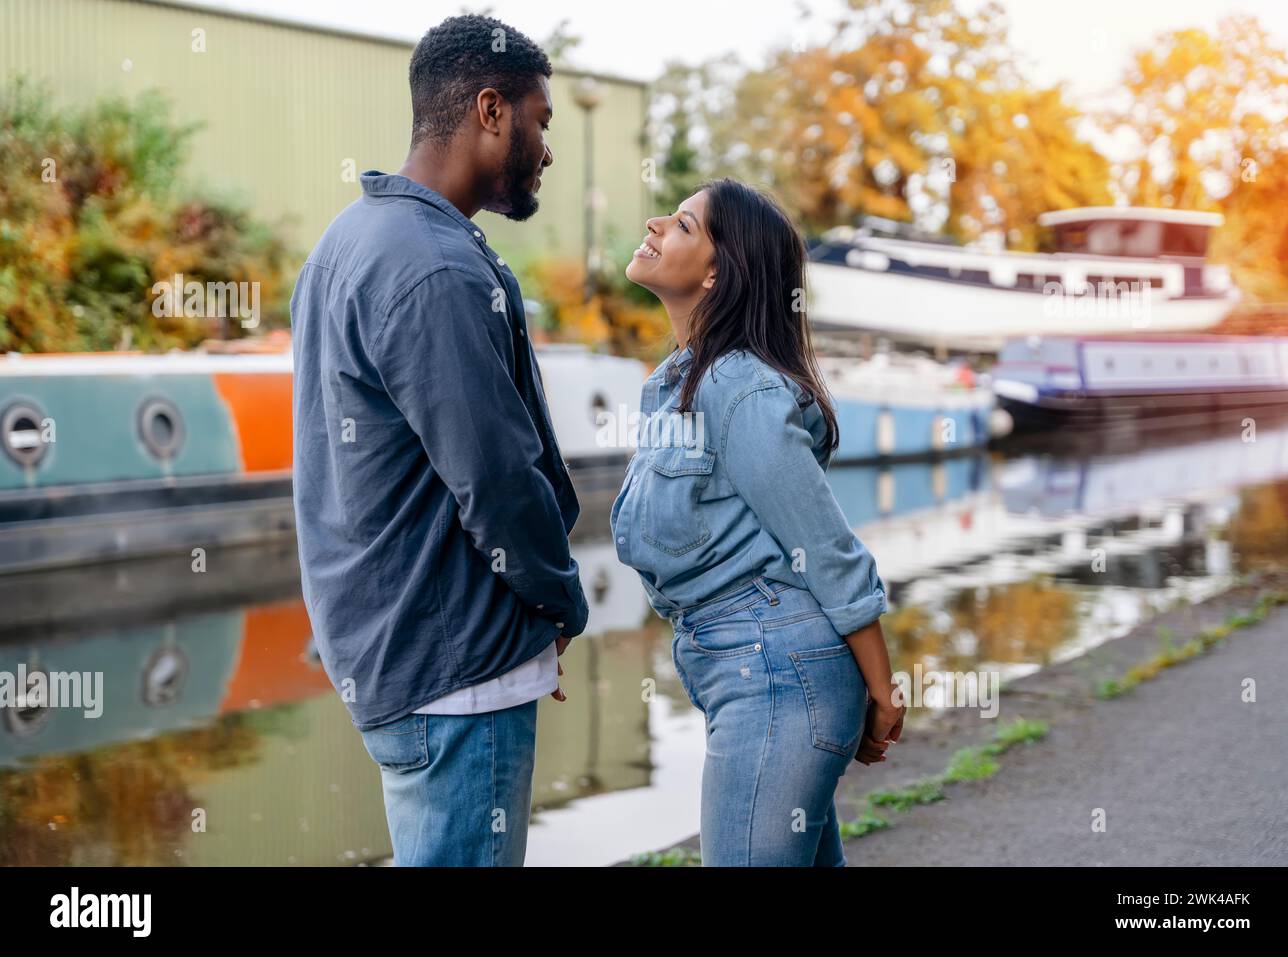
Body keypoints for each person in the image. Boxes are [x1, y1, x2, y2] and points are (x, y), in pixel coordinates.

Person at [290, 14, 586, 866]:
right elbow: (495, 477)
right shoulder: (434, 266)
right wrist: (560, 601)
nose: (548, 149)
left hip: (392, 649)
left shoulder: (347, 242)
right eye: (541, 119)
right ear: (491, 110)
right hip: (458, 669)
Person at [611, 178, 906, 866]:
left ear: (718, 271)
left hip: (776, 672)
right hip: (748, 668)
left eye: (683, 225)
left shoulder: (737, 388)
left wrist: (882, 690)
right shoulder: (676, 383)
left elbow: (825, 547)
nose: (654, 224)